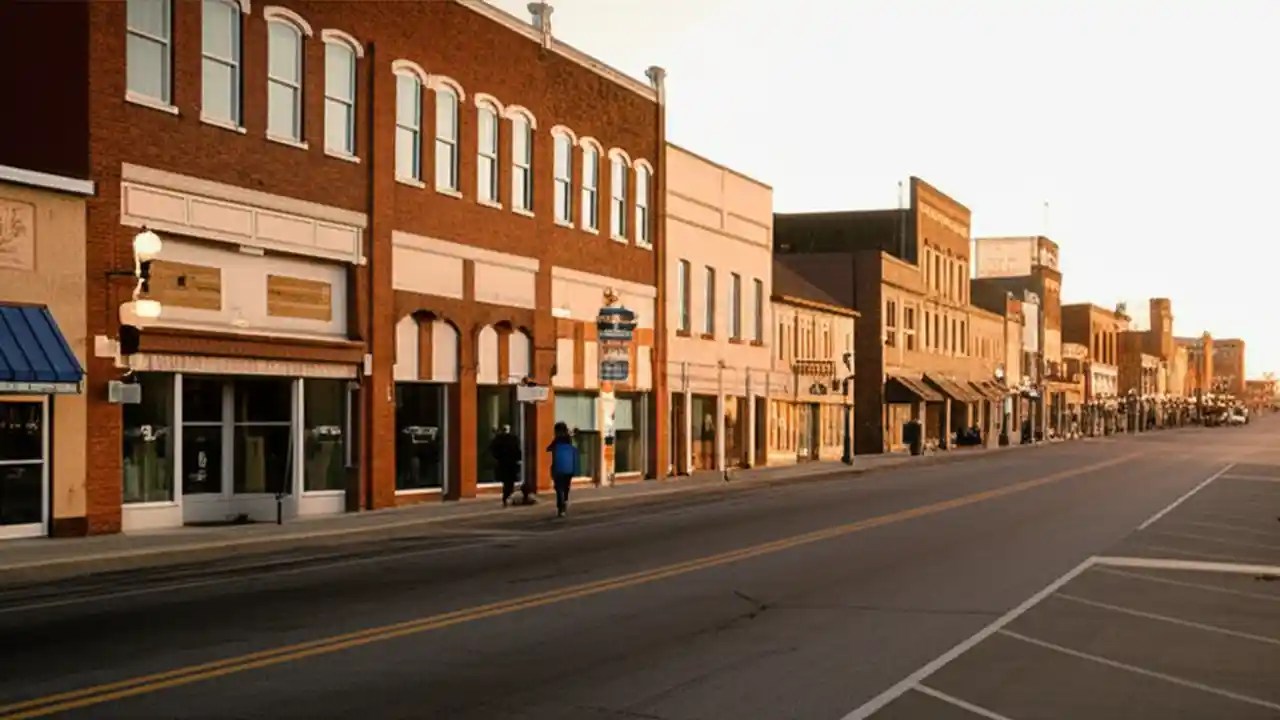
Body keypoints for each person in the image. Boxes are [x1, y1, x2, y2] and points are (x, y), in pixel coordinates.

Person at [547, 421, 580, 517]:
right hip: (568, 467)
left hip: (558, 467)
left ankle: (561, 507)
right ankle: (564, 502)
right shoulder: (569, 439)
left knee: (559, 488)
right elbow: (574, 448)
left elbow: (548, 448)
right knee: (566, 487)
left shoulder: (557, 440)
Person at [488, 425, 523, 507]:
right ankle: (507, 496)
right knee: (509, 482)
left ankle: (506, 497)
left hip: (505, 463)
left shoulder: (500, 439)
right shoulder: (512, 439)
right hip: (509, 463)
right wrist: (518, 459)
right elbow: (517, 450)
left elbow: (493, 449)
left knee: (507, 481)